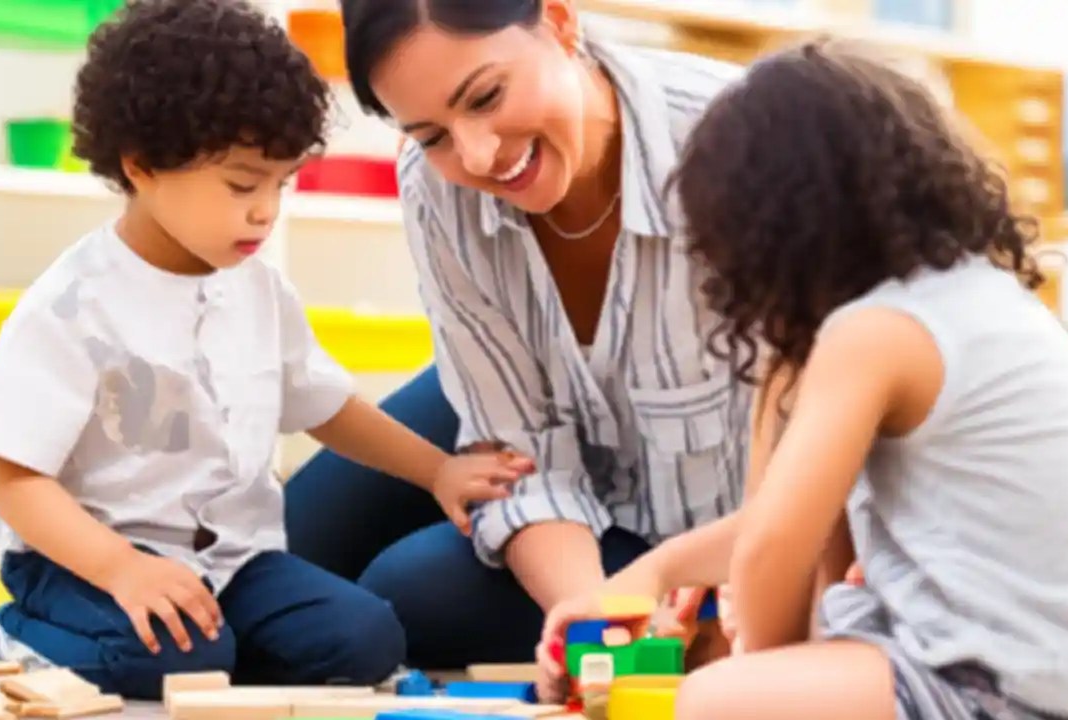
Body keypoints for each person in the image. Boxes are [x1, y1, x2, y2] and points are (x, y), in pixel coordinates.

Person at [539, 40, 1068, 719]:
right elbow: (785, 523)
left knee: (709, 698)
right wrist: (658, 571)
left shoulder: (875, 331)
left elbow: (771, 549)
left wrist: (762, 676)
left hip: (1004, 692)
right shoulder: (963, 295)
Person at [0, 0, 532, 700]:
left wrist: (439, 471)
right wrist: (122, 569)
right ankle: (13, 629)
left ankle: (217, 647)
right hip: (85, 559)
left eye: (280, 183)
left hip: (233, 561)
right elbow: (14, 482)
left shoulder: (259, 291)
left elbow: (328, 407)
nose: (266, 210)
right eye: (242, 185)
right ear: (141, 166)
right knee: (165, 663)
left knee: (367, 639)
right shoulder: (70, 307)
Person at [285, 0, 750, 670]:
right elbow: (524, 457)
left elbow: (833, 467)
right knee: (291, 547)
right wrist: (593, 619)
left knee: (403, 595)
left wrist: (643, 617)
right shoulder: (436, 187)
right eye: (430, 135)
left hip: (703, 523)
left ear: (559, 21)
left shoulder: (739, 142)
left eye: (486, 96)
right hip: (540, 415)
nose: (477, 156)